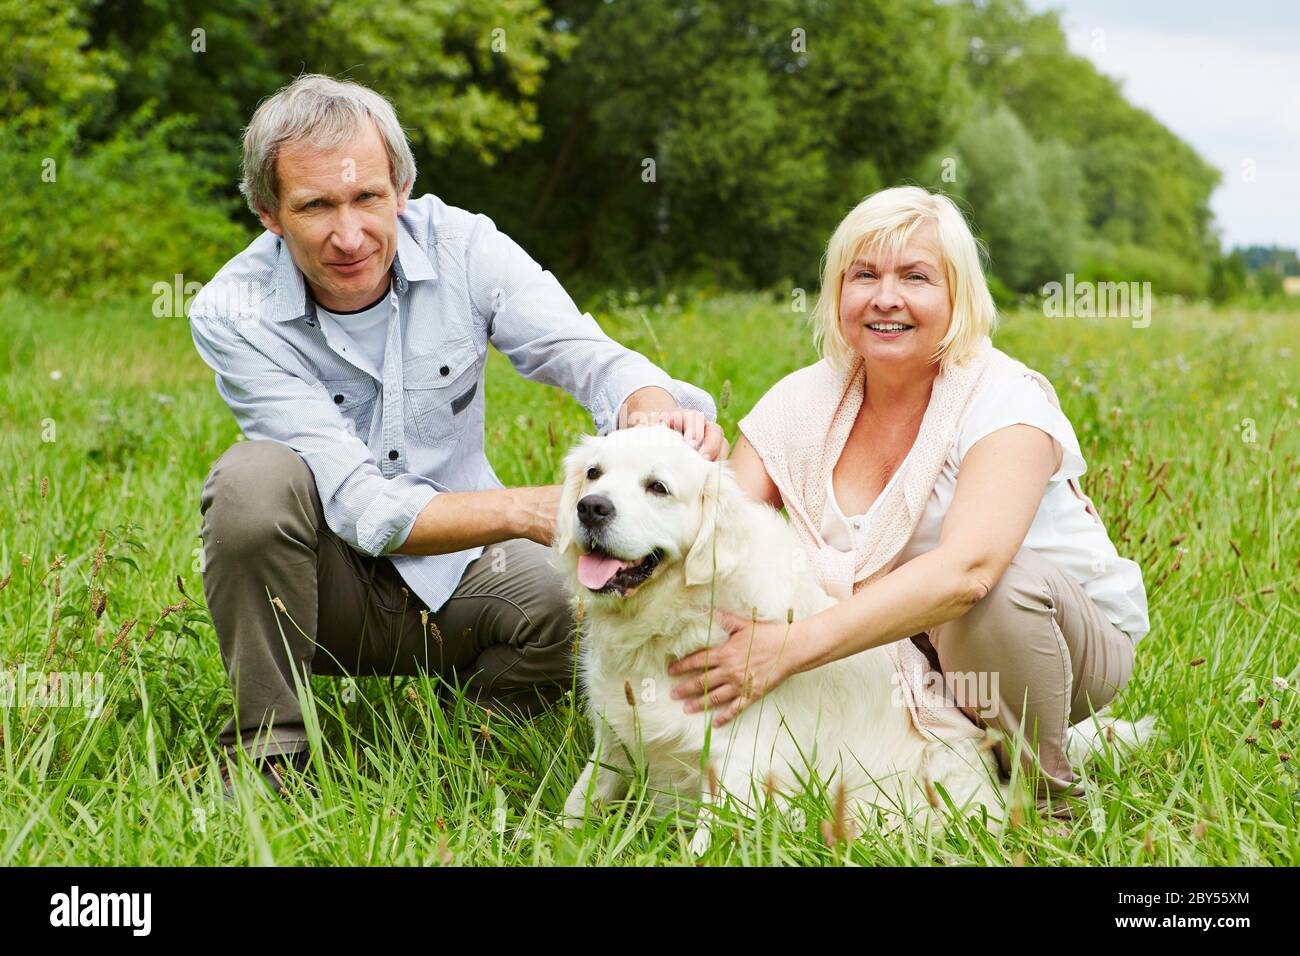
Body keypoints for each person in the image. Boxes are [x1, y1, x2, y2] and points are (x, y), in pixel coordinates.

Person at [189, 74, 725, 794]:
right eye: (316, 206)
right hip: (322, 583)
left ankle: (461, 738)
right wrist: (529, 511)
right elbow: (365, 507)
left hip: (466, 574)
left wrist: (651, 414)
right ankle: (270, 754)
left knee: (568, 604)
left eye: (366, 199)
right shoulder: (233, 309)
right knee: (251, 483)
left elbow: (585, 353)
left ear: (401, 188)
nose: (349, 235)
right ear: (269, 214)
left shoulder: (464, 246)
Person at [667, 185, 1148, 814]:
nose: (885, 297)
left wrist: (787, 648)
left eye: (916, 277)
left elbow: (968, 571)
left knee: (994, 591)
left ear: (959, 297)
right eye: (863, 274)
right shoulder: (800, 400)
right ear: (838, 292)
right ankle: (937, 745)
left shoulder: (1006, 401)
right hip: (888, 649)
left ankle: (1047, 794)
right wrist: (674, 460)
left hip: (1056, 644)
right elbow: (723, 531)